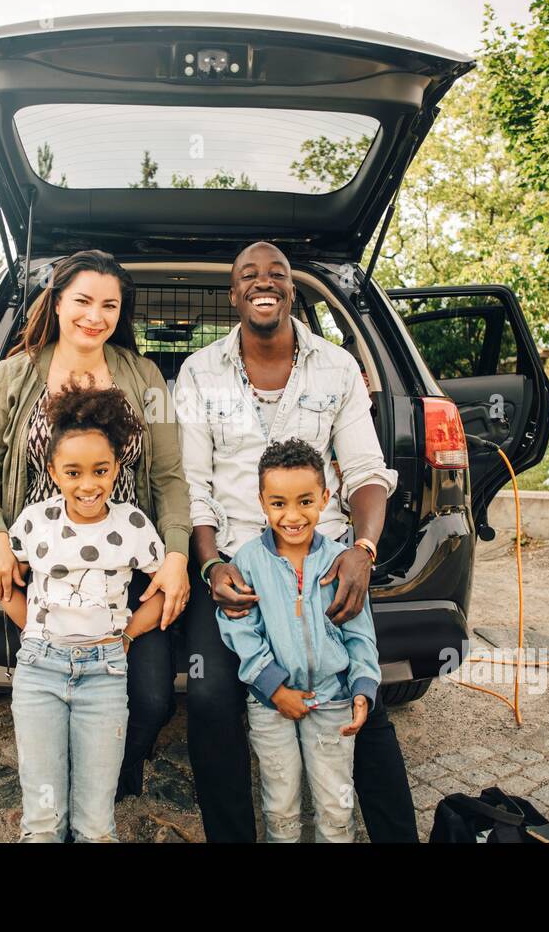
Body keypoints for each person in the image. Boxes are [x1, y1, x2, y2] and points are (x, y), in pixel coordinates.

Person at [175, 240, 420, 842]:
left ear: (293, 290)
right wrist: (210, 568)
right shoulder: (199, 372)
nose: (265, 282)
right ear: (233, 295)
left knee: (368, 696)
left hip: (322, 554)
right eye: (249, 275)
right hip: (234, 559)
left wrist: (360, 552)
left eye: (277, 274)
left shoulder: (336, 367)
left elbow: (365, 472)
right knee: (208, 697)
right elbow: (193, 487)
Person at [0, 249, 191, 800]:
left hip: (127, 564)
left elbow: (169, 477)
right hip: (43, 568)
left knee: (153, 698)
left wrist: (178, 553)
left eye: (109, 305)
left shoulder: (144, 375)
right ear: (58, 301)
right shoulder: (15, 374)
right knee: (49, 694)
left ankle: (107, 783)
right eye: (83, 300)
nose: (95, 314)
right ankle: (55, 794)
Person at [0, 382, 167, 841]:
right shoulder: (34, 522)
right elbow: (6, 584)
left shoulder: (133, 525)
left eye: (100, 470)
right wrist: (34, 630)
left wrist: (127, 636)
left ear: (116, 467)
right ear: (53, 470)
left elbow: (163, 590)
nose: (88, 484)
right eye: (73, 472)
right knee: (43, 821)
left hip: (104, 676)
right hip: (39, 673)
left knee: (95, 825)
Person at [217, 438, 381, 843]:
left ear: (325, 498)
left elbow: (360, 633)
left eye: (305, 501)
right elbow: (240, 629)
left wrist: (363, 686)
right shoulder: (249, 561)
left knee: (335, 807)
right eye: (278, 503)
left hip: (333, 701)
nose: (292, 516)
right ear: (261, 502)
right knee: (281, 806)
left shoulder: (339, 562)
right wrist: (274, 689)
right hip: (271, 706)